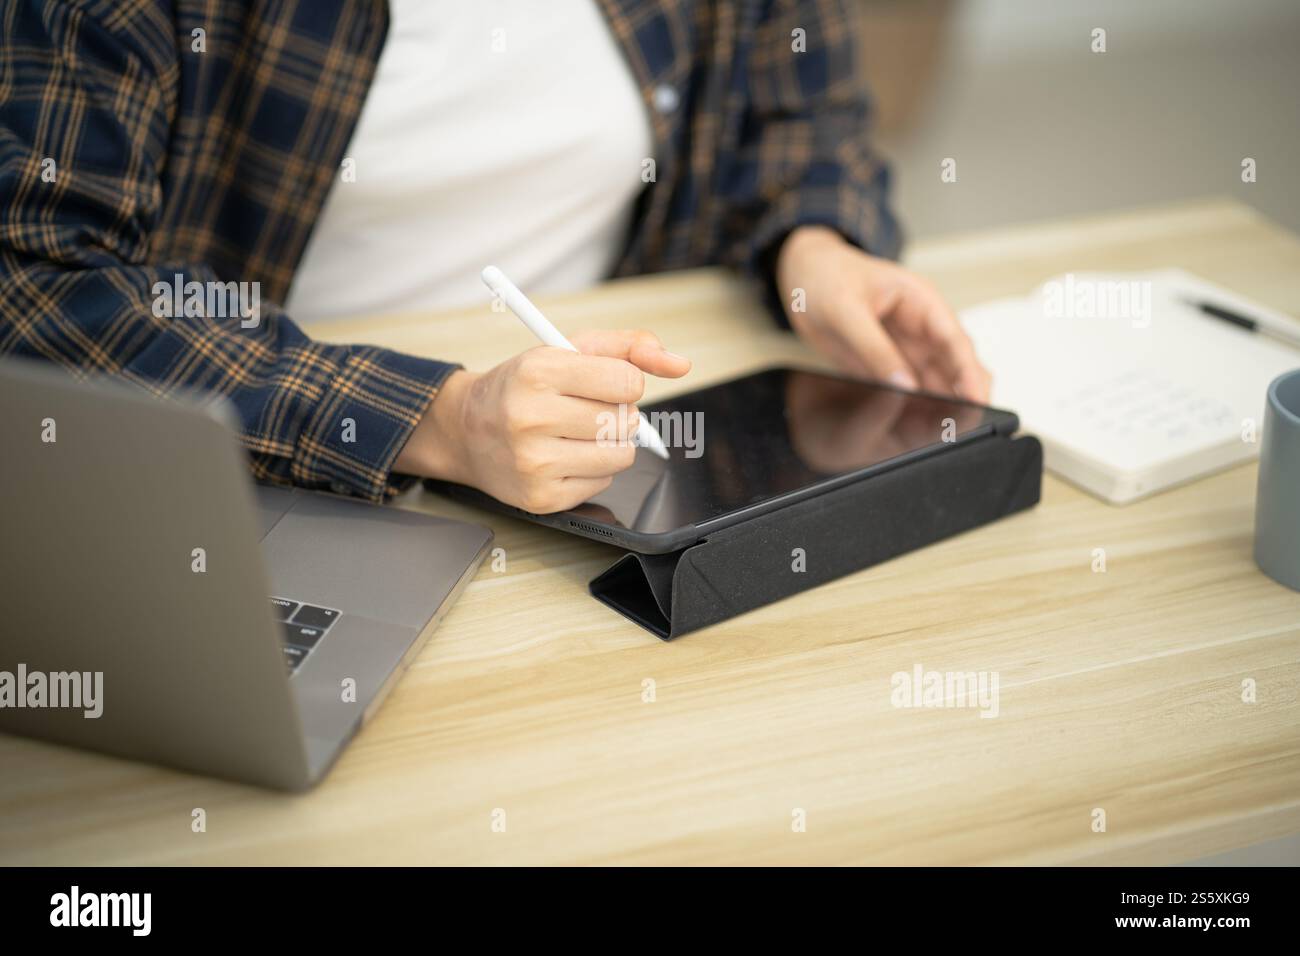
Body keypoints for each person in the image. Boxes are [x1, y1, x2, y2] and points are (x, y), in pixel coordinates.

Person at [0, 0, 990, 514]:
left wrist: (813, 242)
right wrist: (437, 419)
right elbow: (38, 284)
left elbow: (801, 110)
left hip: (605, 468)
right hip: (271, 463)